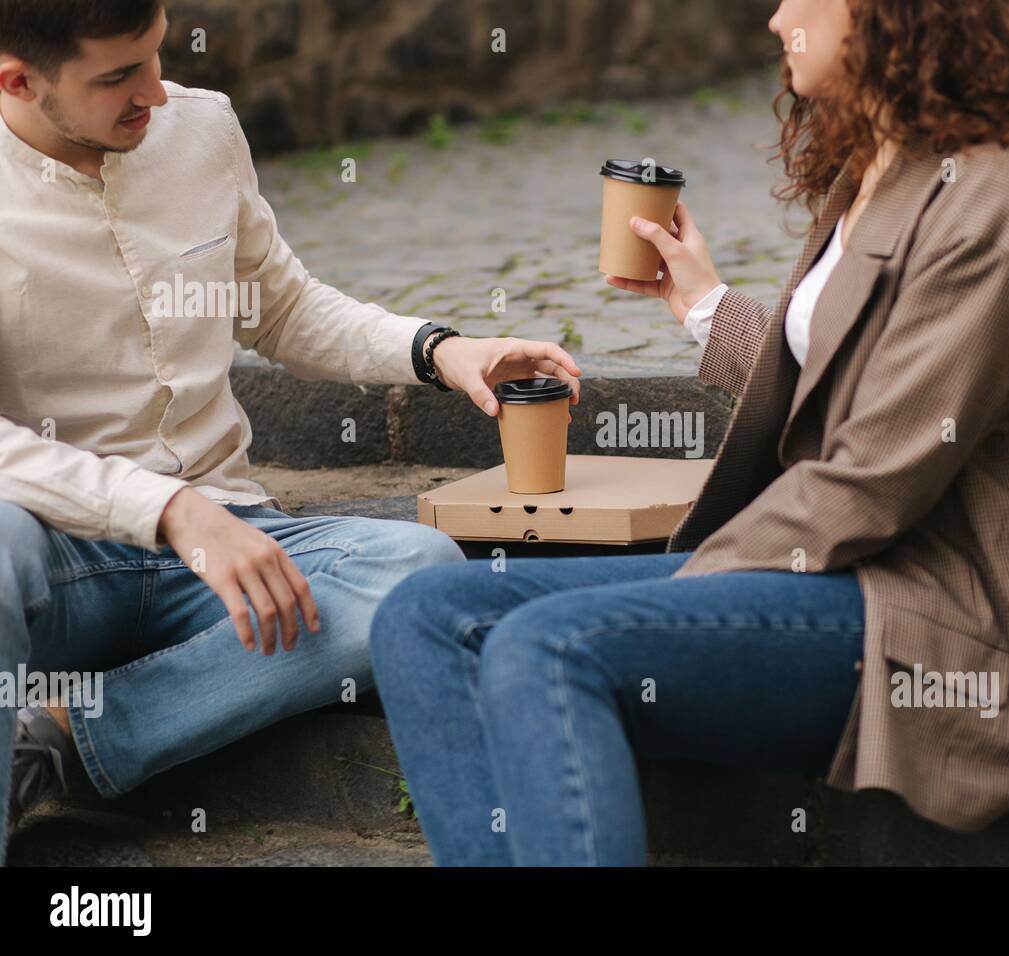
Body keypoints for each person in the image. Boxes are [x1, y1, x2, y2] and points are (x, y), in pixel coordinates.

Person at [373, 0, 1009, 866]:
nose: (773, 20)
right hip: (826, 566)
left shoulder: (996, 194)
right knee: (423, 616)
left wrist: (689, 579)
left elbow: (874, 475)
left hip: (931, 615)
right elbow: (851, 376)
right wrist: (705, 307)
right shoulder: (878, 166)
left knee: (549, 645)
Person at [0, 0, 581, 863]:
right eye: (118, 77)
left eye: (156, 56)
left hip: (234, 535)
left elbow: (282, 306)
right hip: (61, 558)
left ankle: (70, 741)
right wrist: (168, 510)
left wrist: (438, 349)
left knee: (418, 576)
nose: (155, 94)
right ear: (16, 80)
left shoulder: (200, 130)